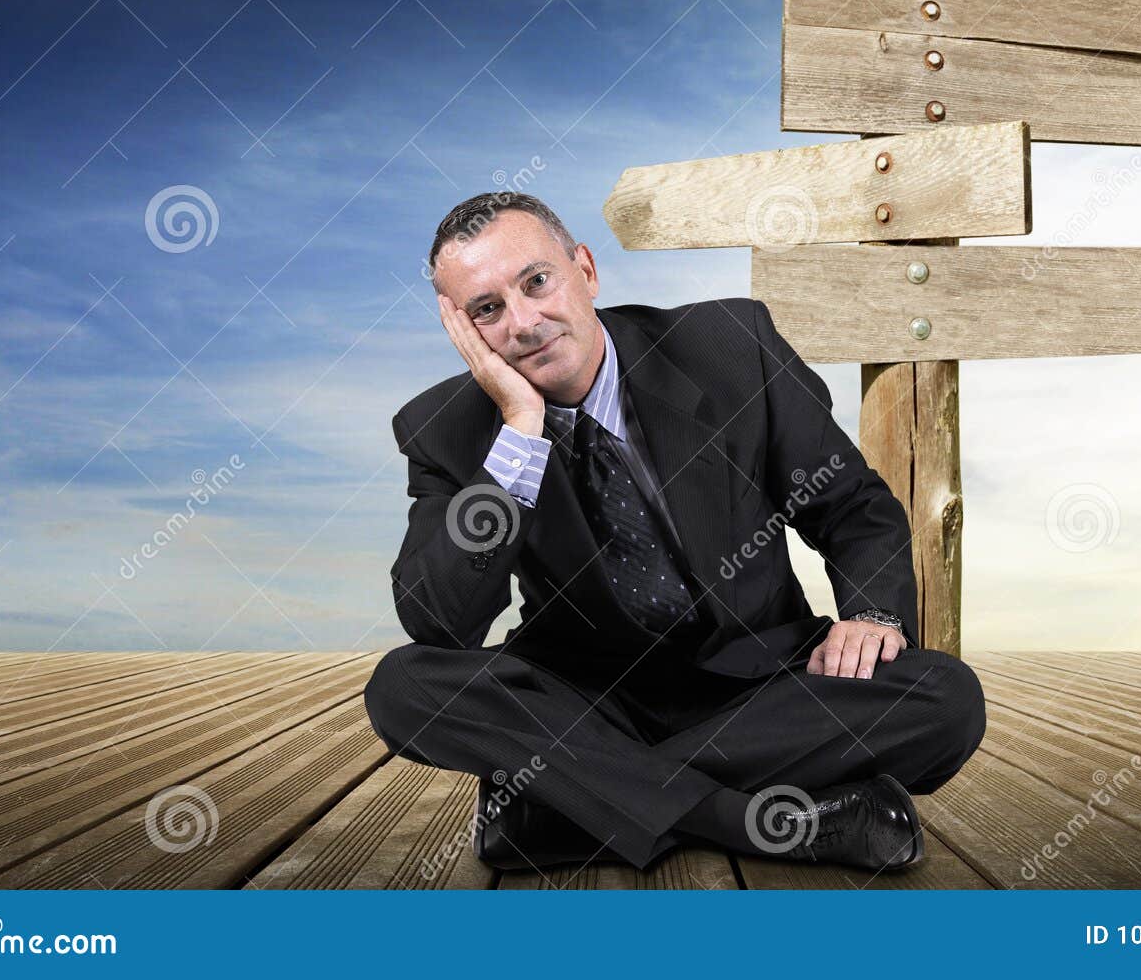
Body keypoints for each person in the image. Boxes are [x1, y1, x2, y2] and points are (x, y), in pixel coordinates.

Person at [363, 192, 985, 873]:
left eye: (536, 282)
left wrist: (868, 612)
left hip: (763, 687)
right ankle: (739, 817)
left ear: (586, 271)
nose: (523, 322)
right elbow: (437, 623)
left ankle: (569, 807)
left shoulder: (728, 347)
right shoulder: (445, 430)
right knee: (403, 687)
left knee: (946, 701)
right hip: (587, 700)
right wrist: (517, 435)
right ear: (464, 331)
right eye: (487, 309)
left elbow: (850, 506)